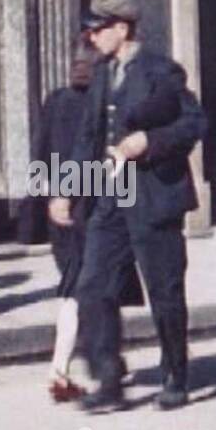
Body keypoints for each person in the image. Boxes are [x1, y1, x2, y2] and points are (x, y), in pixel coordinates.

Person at [73, 0, 206, 413]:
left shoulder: (161, 71)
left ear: (122, 28)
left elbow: (193, 122)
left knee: (164, 292)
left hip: (153, 195)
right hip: (111, 197)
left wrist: (149, 142)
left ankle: (174, 374)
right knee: (93, 285)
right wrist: (66, 189)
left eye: (98, 29)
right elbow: (88, 137)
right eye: (90, 30)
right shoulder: (100, 75)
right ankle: (109, 379)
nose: (91, 38)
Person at [40, 36, 145, 402]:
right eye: (78, 62)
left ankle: (105, 361)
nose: (80, 67)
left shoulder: (62, 101)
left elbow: (41, 155)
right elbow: (49, 153)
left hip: (73, 208)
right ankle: (64, 368)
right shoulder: (92, 105)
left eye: (85, 62)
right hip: (87, 209)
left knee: (95, 289)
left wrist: (45, 204)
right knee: (84, 289)